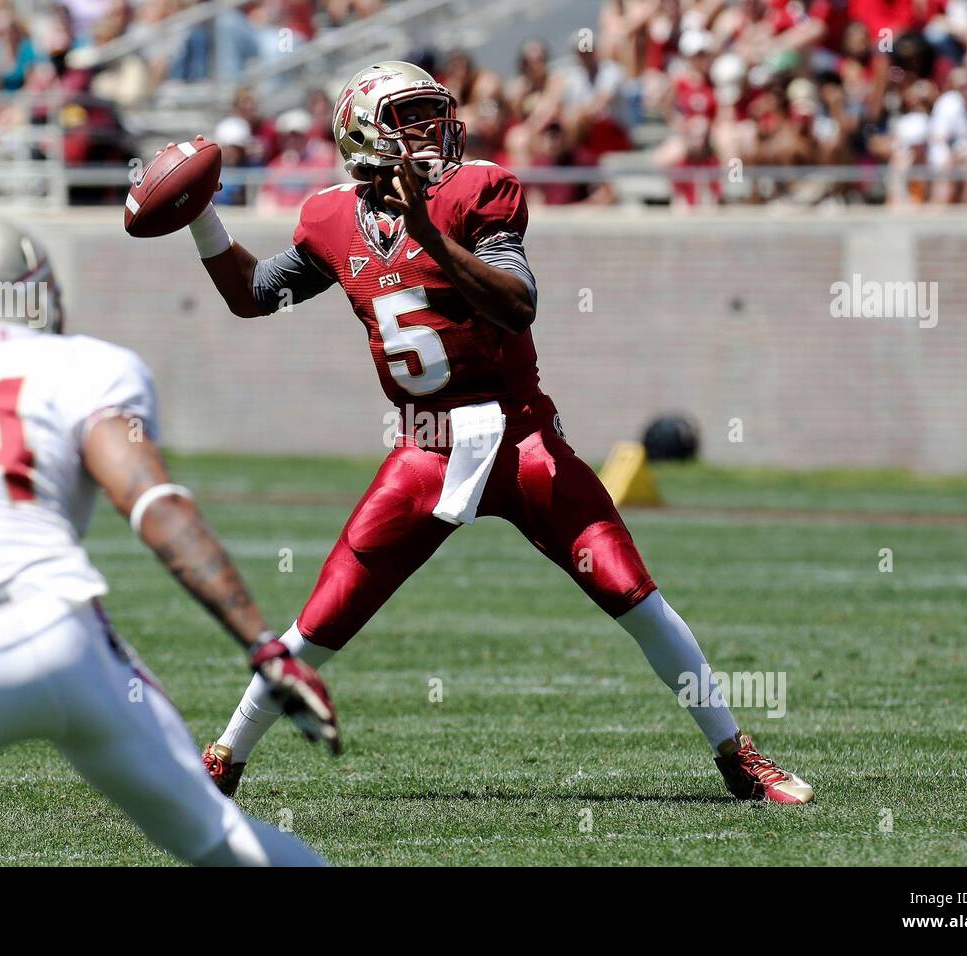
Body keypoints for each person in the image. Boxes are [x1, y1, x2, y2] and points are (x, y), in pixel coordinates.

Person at [173, 61, 814, 805]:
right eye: (408, 117)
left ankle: (736, 752)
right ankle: (223, 760)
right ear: (362, 135)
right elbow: (255, 296)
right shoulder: (328, 219)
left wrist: (430, 237)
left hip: (519, 440)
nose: (431, 130)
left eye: (432, 113)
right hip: (423, 448)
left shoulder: (478, 192)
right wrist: (199, 215)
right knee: (322, 617)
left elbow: (518, 304)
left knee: (632, 591)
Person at [0, 216, 340, 867]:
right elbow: (152, 504)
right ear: (35, 295)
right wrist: (260, 642)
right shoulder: (86, 365)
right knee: (222, 841)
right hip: (57, 642)